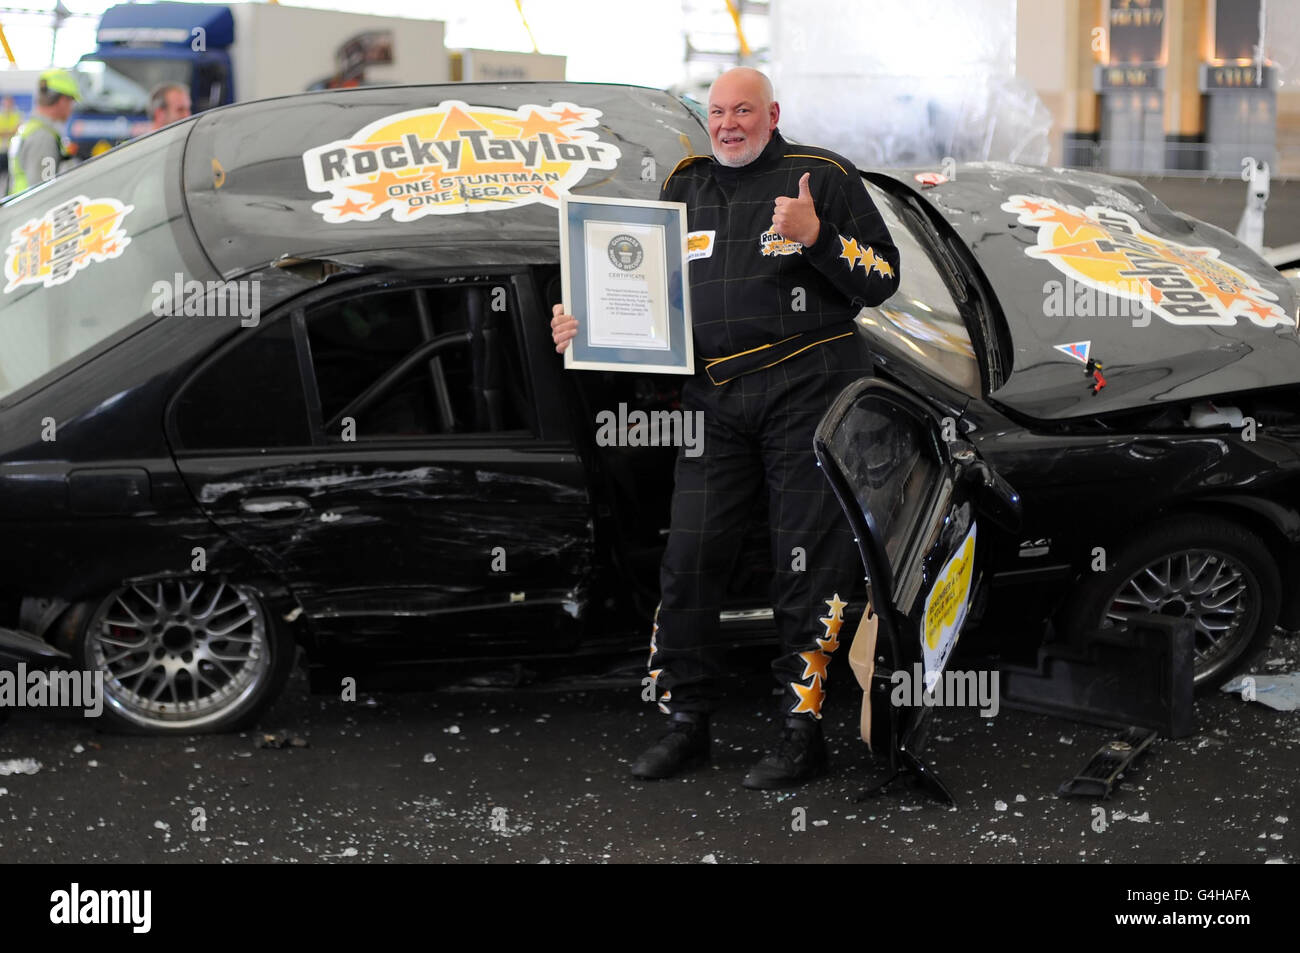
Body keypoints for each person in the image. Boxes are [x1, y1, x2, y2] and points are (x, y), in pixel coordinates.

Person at [550, 67, 901, 788]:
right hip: (714, 399)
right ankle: (688, 723)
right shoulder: (686, 185)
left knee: (803, 564)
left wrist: (818, 237)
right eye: (717, 111)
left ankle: (802, 732)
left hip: (810, 389)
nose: (729, 123)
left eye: (743, 110)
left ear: (773, 113)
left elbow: (883, 277)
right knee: (689, 560)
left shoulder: (821, 175)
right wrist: (588, 329)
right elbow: (653, 303)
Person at [6, 69, 81, 197]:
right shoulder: (43, 137)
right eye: (71, 101)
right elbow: (42, 194)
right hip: (31, 213)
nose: (71, 108)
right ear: (62, 100)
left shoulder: (30, 128)